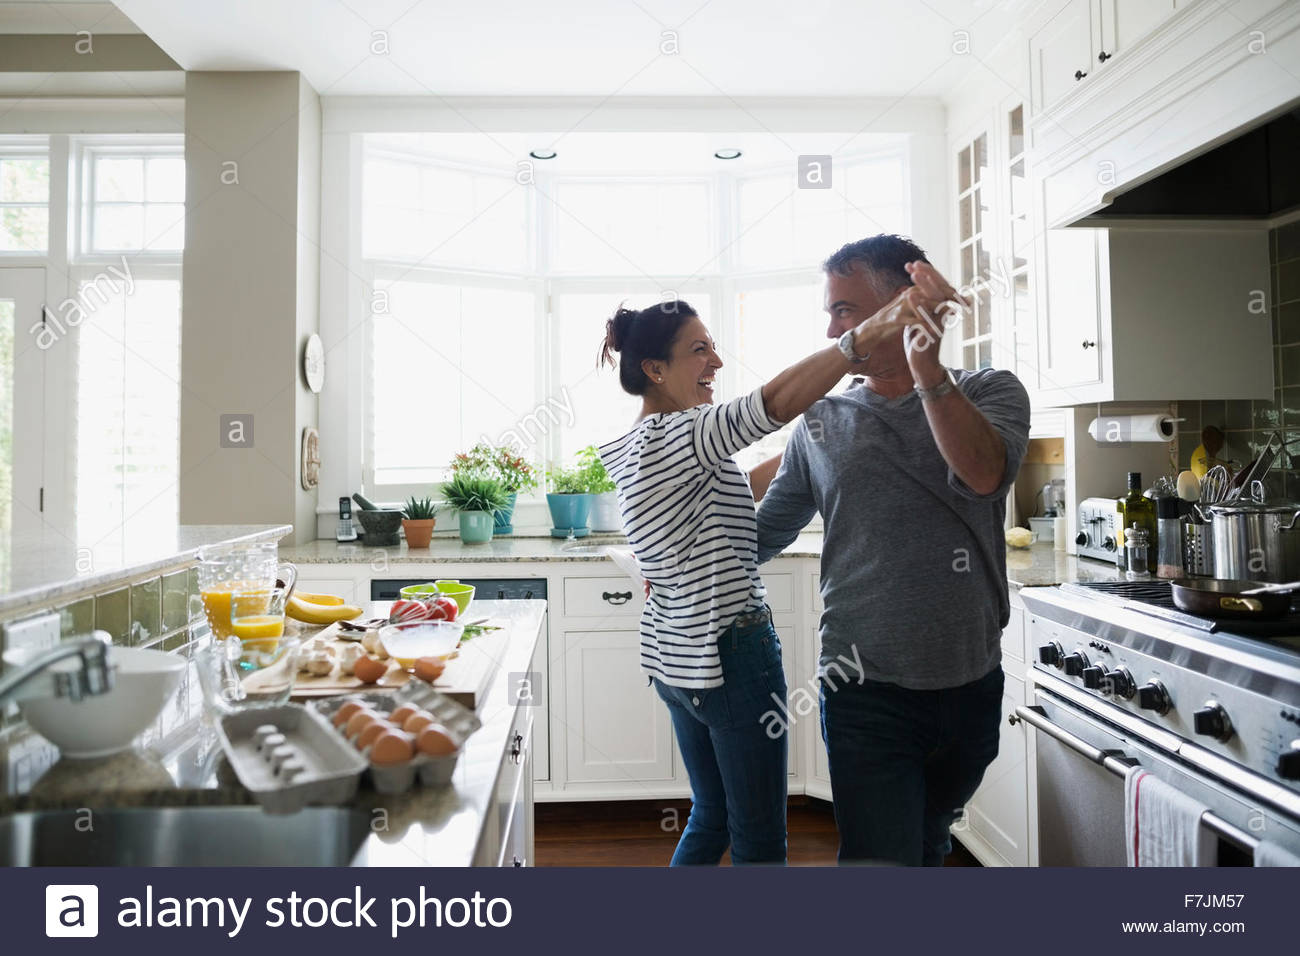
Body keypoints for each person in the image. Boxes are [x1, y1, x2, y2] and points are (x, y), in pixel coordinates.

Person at [596, 288, 944, 865]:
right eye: (698, 350)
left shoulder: (642, 443)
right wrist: (858, 342)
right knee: (760, 841)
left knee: (712, 817)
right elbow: (774, 403)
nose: (716, 362)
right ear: (655, 369)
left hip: (677, 656)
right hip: (730, 656)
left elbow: (731, 489)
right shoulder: (685, 432)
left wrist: (806, 447)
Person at [756, 234, 1031, 866]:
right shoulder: (823, 419)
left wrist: (928, 370)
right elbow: (764, 534)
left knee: (930, 838)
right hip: (864, 686)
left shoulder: (992, 390)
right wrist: (676, 565)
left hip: (971, 683)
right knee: (881, 863)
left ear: (902, 307)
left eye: (845, 310)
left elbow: (983, 476)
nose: (832, 328)